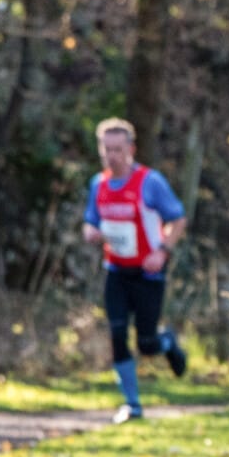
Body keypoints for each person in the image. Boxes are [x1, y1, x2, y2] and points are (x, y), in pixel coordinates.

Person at [81, 118, 190, 423]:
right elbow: (90, 221)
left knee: (146, 343)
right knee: (116, 333)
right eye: (107, 149)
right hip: (115, 271)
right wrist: (90, 232)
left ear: (131, 149)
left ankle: (166, 342)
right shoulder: (98, 184)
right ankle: (132, 405)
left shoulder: (150, 182)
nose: (112, 155)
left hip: (148, 274)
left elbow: (178, 219)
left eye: (118, 149)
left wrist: (162, 251)